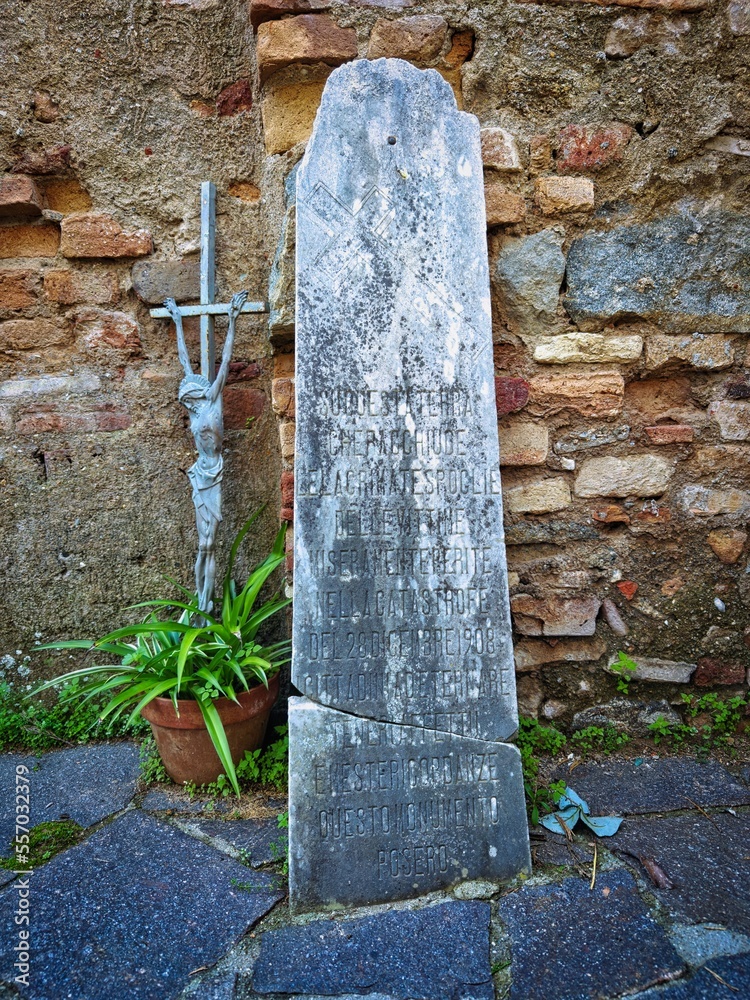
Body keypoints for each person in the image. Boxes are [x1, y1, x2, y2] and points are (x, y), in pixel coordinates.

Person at [164, 290, 248, 613]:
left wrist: (231, 319)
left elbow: (225, 362)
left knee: (212, 544)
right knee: (203, 545)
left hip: (216, 472)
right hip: (199, 474)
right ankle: (199, 605)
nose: (189, 400)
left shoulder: (212, 398)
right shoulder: (195, 411)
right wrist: (178, 320)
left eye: (190, 396)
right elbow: (184, 359)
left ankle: (208, 604)